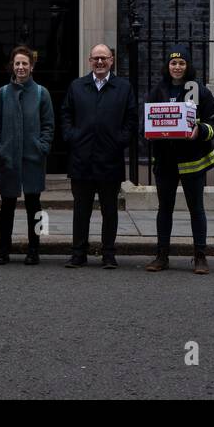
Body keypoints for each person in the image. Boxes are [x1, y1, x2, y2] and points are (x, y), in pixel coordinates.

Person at [144, 45, 214, 275]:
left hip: (193, 160)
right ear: (167, 66)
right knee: (164, 209)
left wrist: (200, 130)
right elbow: (146, 122)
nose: (177, 67)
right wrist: (149, 131)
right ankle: (162, 255)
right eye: (173, 63)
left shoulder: (200, 92)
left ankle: (200, 256)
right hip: (166, 162)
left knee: (196, 209)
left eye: (182, 63)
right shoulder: (158, 90)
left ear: (188, 66)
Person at [60, 43, 136, 269]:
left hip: (110, 159)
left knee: (109, 210)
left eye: (104, 58)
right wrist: (72, 136)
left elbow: (131, 120)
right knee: (80, 210)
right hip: (81, 159)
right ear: (90, 61)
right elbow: (66, 114)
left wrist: (119, 141)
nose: (100, 62)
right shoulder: (77, 86)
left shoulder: (123, 87)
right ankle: (78, 253)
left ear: (112, 60)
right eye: (96, 58)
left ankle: (108, 254)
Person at [0, 45, 54, 266]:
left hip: (33, 157)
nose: (20, 67)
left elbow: (49, 125)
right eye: (17, 63)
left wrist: (42, 146)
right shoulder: (3, 93)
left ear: (32, 67)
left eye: (24, 63)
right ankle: (3, 250)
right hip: (8, 158)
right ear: (12, 66)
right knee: (6, 207)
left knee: (35, 206)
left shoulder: (41, 93)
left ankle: (35, 248)